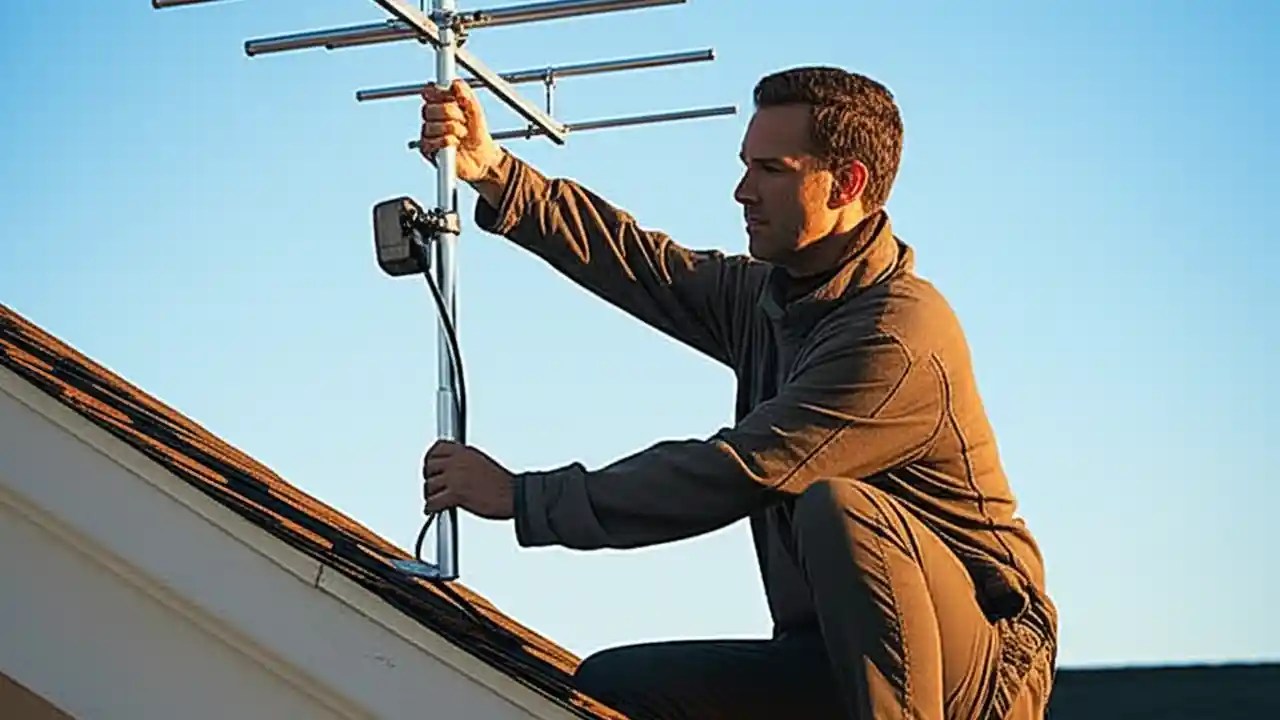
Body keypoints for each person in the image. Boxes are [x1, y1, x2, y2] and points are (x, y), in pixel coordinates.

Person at [417, 66, 1058, 719]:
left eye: (770, 170)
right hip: (829, 657)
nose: (741, 191)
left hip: (977, 675)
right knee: (617, 686)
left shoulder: (895, 338)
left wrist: (525, 496)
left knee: (838, 510)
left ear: (848, 183)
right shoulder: (772, 297)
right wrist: (495, 170)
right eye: (745, 166)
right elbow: (645, 265)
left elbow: (739, 470)